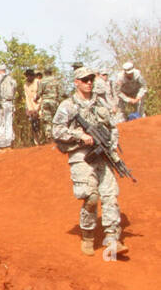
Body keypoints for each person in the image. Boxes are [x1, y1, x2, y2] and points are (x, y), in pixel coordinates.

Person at [51, 67, 128, 257]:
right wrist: (80, 135)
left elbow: (112, 127)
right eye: (84, 79)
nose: (89, 82)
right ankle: (87, 234)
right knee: (91, 196)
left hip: (103, 153)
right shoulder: (68, 106)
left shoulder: (100, 103)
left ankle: (112, 238)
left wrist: (111, 145)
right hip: (81, 154)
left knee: (110, 195)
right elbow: (57, 131)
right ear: (76, 82)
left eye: (91, 79)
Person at [38, 65, 61, 139]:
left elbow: (39, 93)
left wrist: (35, 99)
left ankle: (49, 135)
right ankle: (56, 135)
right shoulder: (56, 80)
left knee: (47, 119)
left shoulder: (42, 81)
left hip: (45, 101)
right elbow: (60, 92)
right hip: (54, 101)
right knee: (56, 118)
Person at [24, 68, 42, 144]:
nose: (28, 77)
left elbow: (41, 95)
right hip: (31, 107)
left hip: (39, 106)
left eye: (30, 76)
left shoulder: (38, 82)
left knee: (42, 124)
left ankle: (44, 141)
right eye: (27, 76)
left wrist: (37, 108)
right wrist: (30, 109)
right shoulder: (25, 84)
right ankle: (37, 142)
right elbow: (27, 97)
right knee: (34, 125)